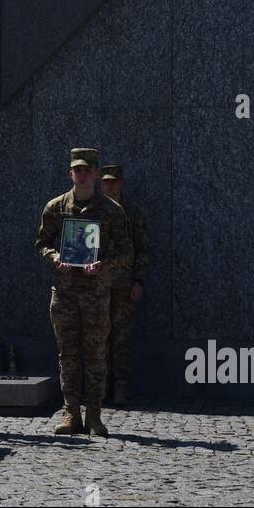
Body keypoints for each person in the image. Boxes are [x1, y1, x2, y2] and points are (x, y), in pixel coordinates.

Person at [35, 148, 132, 437]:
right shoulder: (56, 207)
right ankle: (71, 413)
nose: (82, 175)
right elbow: (41, 243)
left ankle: (94, 415)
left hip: (96, 293)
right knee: (67, 355)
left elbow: (127, 252)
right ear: (71, 173)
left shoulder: (112, 211)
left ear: (95, 174)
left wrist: (105, 265)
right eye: (77, 170)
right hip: (64, 293)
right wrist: (54, 258)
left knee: (96, 355)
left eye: (87, 170)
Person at [100, 164, 150, 405]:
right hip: (97, 284)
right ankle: (101, 385)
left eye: (114, 182)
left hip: (123, 283)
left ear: (121, 183)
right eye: (107, 181)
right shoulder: (94, 209)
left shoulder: (131, 212)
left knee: (120, 337)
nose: (110, 186)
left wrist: (138, 280)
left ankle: (120, 385)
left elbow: (142, 248)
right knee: (98, 336)